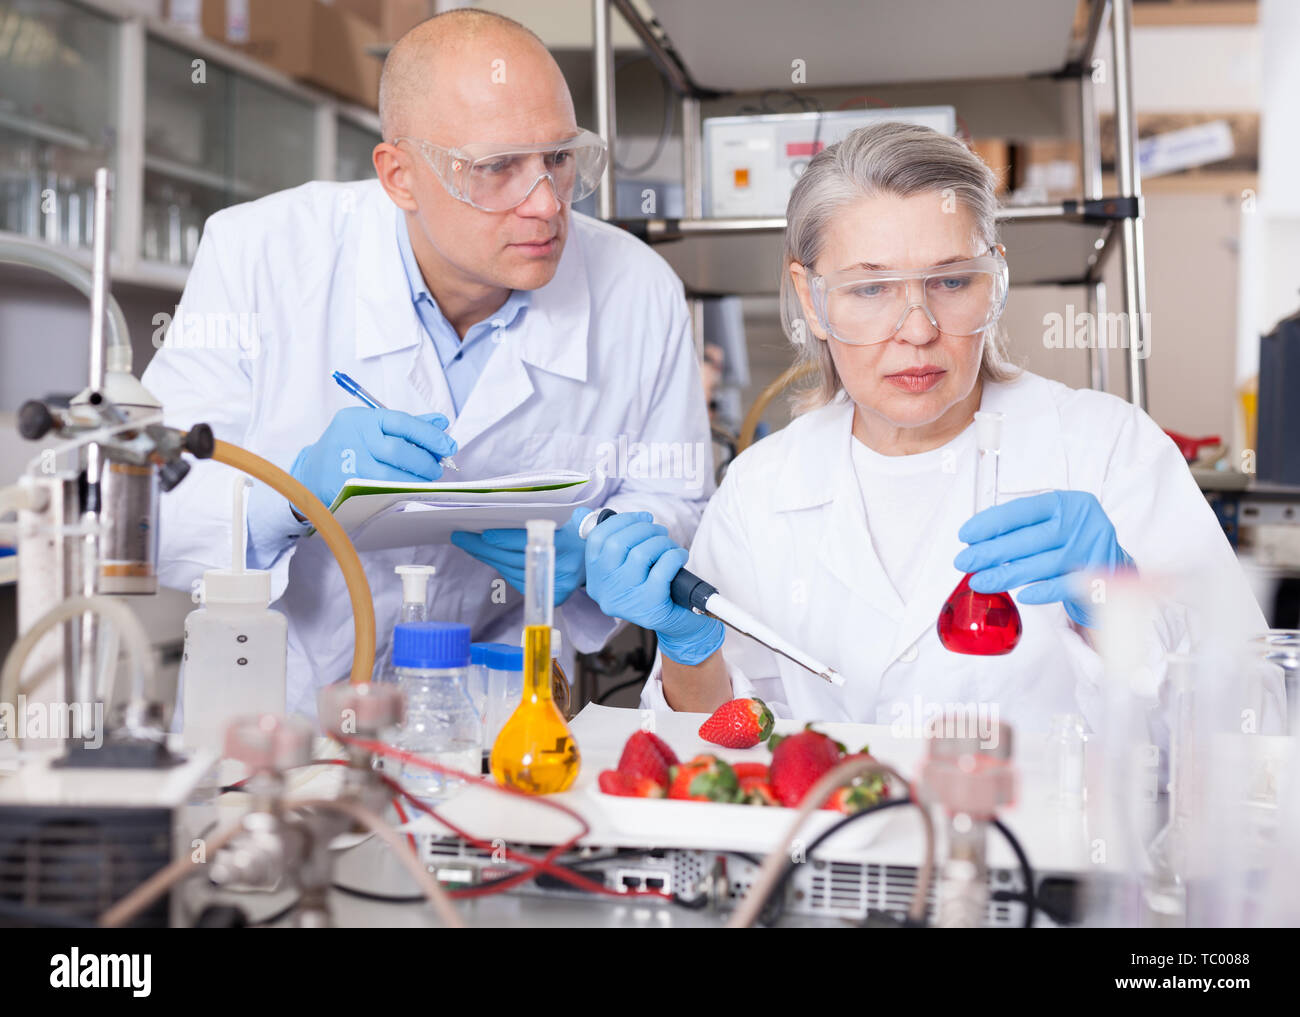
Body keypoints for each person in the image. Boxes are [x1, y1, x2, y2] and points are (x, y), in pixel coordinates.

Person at [581, 122, 1270, 734]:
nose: (917, 329)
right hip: (824, 871)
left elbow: (1258, 716)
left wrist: (1114, 608)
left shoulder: (1109, 449)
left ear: (994, 279)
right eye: (870, 288)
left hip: (1053, 869)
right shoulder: (761, 490)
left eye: (950, 281)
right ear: (810, 300)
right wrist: (689, 646)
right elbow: (725, 759)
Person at [143, 10, 711, 715]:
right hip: (275, 710)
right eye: (498, 167)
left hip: (497, 708)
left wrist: (600, 555)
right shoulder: (259, 254)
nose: (545, 205)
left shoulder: (639, 289)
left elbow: (679, 498)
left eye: (560, 159)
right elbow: (151, 514)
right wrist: (288, 496)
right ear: (400, 175)